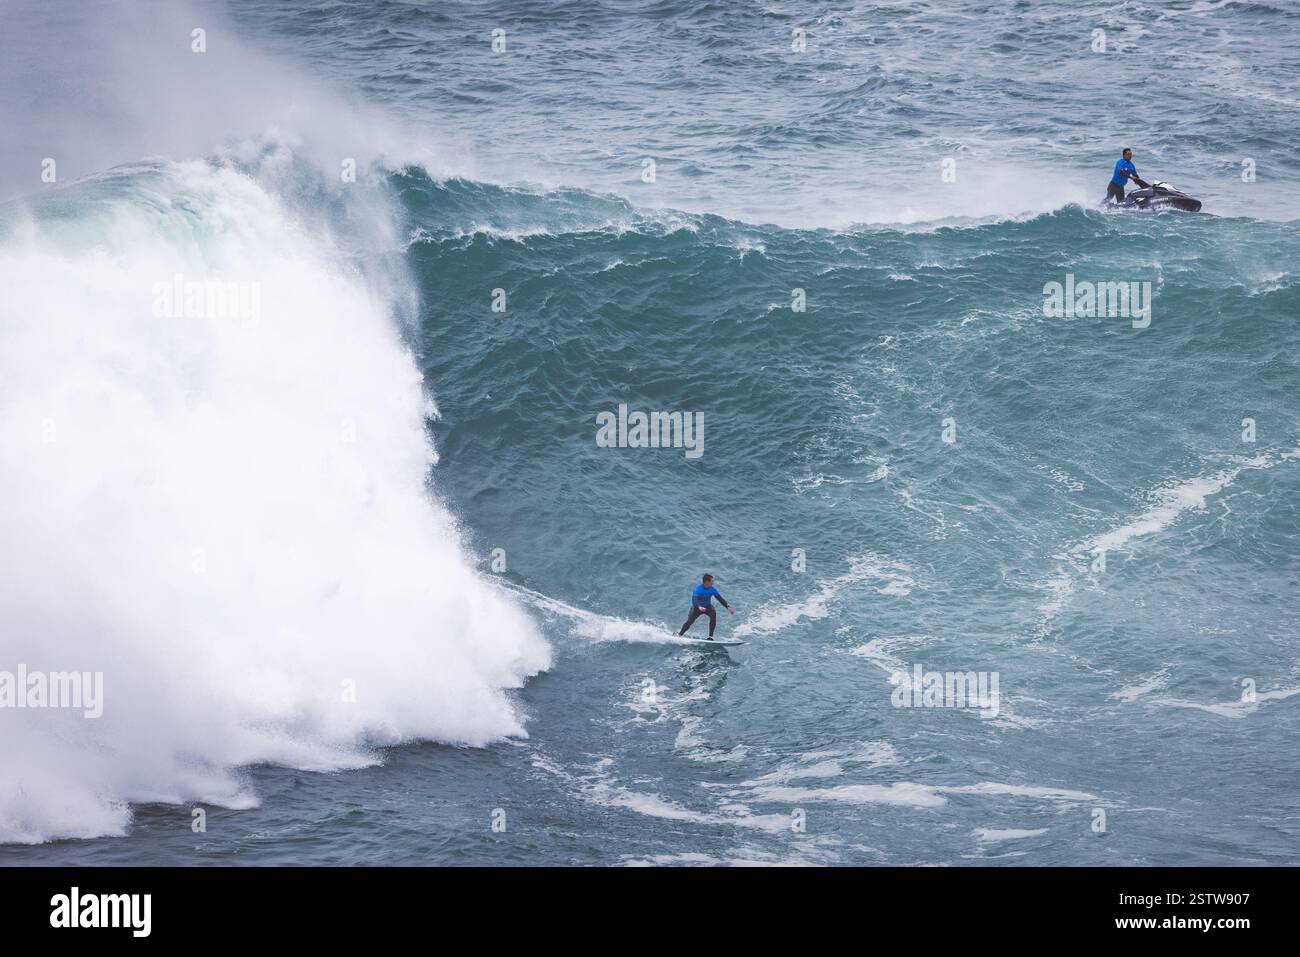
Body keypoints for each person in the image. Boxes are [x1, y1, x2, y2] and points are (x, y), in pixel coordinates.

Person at [678, 573, 734, 639]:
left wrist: (728, 606)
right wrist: (699, 607)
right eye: (712, 581)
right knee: (689, 621)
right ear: (707, 582)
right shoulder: (698, 589)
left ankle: (710, 637)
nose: (713, 583)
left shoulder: (712, 589)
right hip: (697, 607)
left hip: (707, 606)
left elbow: (719, 598)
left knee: (713, 614)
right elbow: (694, 600)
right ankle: (679, 635)